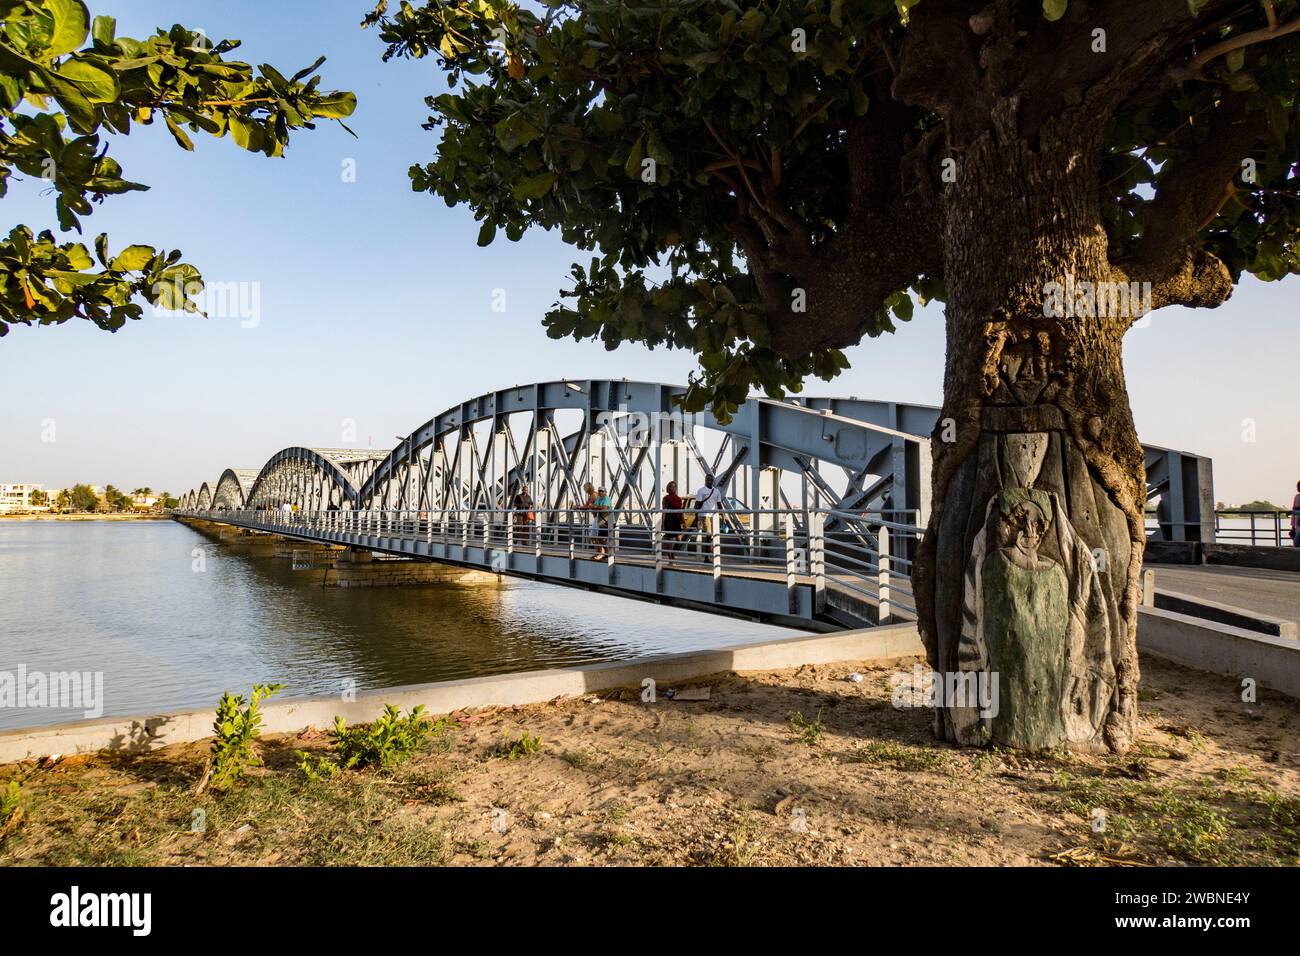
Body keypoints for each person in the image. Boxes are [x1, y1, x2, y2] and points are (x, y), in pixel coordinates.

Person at [693, 473, 720, 556]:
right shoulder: (701, 491)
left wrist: (722, 515)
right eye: (707, 480)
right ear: (705, 480)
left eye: (711, 480)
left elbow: (719, 504)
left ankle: (708, 554)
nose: (709, 481)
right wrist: (697, 518)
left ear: (713, 481)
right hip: (704, 515)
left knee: (712, 536)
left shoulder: (716, 491)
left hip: (713, 515)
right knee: (709, 535)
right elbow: (697, 505)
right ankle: (707, 557)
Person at [662, 480, 685, 557]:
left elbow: (680, 511)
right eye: (672, 486)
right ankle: (670, 554)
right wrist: (662, 523)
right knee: (671, 538)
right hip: (669, 519)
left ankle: (671, 552)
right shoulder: (666, 498)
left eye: (675, 486)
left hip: (676, 519)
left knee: (679, 538)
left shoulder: (679, 499)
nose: (674, 488)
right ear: (668, 488)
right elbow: (664, 511)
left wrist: (683, 522)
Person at [592, 486, 612, 558]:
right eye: (599, 491)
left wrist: (596, 507)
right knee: (598, 538)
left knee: (602, 538)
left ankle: (607, 553)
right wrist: (596, 507)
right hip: (601, 521)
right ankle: (604, 553)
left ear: (605, 492)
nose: (600, 492)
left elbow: (604, 508)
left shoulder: (607, 498)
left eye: (602, 491)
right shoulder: (598, 498)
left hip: (607, 521)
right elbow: (594, 508)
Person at [1292, 480, 1300, 547]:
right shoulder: (1297, 497)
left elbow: (1294, 509)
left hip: (1298, 522)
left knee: (1296, 542)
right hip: (1298, 522)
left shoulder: (1297, 497)